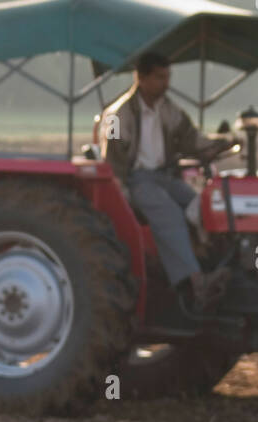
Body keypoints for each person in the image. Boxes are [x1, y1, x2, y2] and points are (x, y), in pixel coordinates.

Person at [99, 51, 231, 308]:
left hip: (165, 176)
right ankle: (195, 283)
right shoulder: (117, 115)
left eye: (168, 77)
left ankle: (213, 259)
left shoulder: (169, 110)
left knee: (201, 205)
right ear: (141, 78)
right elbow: (112, 159)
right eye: (160, 77)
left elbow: (193, 140)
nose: (166, 83)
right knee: (168, 213)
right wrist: (120, 192)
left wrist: (222, 143)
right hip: (138, 180)